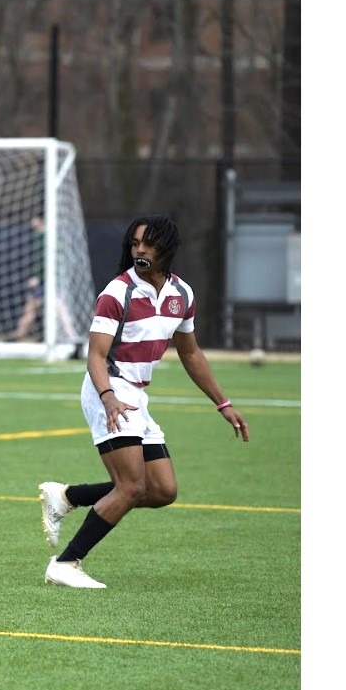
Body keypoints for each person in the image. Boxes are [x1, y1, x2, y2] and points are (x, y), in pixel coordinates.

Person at [36, 214, 250, 588]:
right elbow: (95, 357)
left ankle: (67, 496)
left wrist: (223, 403)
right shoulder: (117, 293)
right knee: (131, 486)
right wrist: (108, 399)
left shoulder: (182, 295)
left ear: (166, 248)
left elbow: (191, 353)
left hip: (136, 394)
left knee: (162, 490)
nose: (140, 250)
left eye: (147, 244)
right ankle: (65, 564)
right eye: (134, 244)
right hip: (110, 388)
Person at [13, 214, 80, 344]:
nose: (31, 222)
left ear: (40, 220)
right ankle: (18, 335)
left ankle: (71, 335)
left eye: (33, 219)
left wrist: (37, 276)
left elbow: (44, 261)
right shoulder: (42, 236)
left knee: (56, 307)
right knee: (35, 307)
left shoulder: (46, 237)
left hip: (47, 281)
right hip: (46, 280)